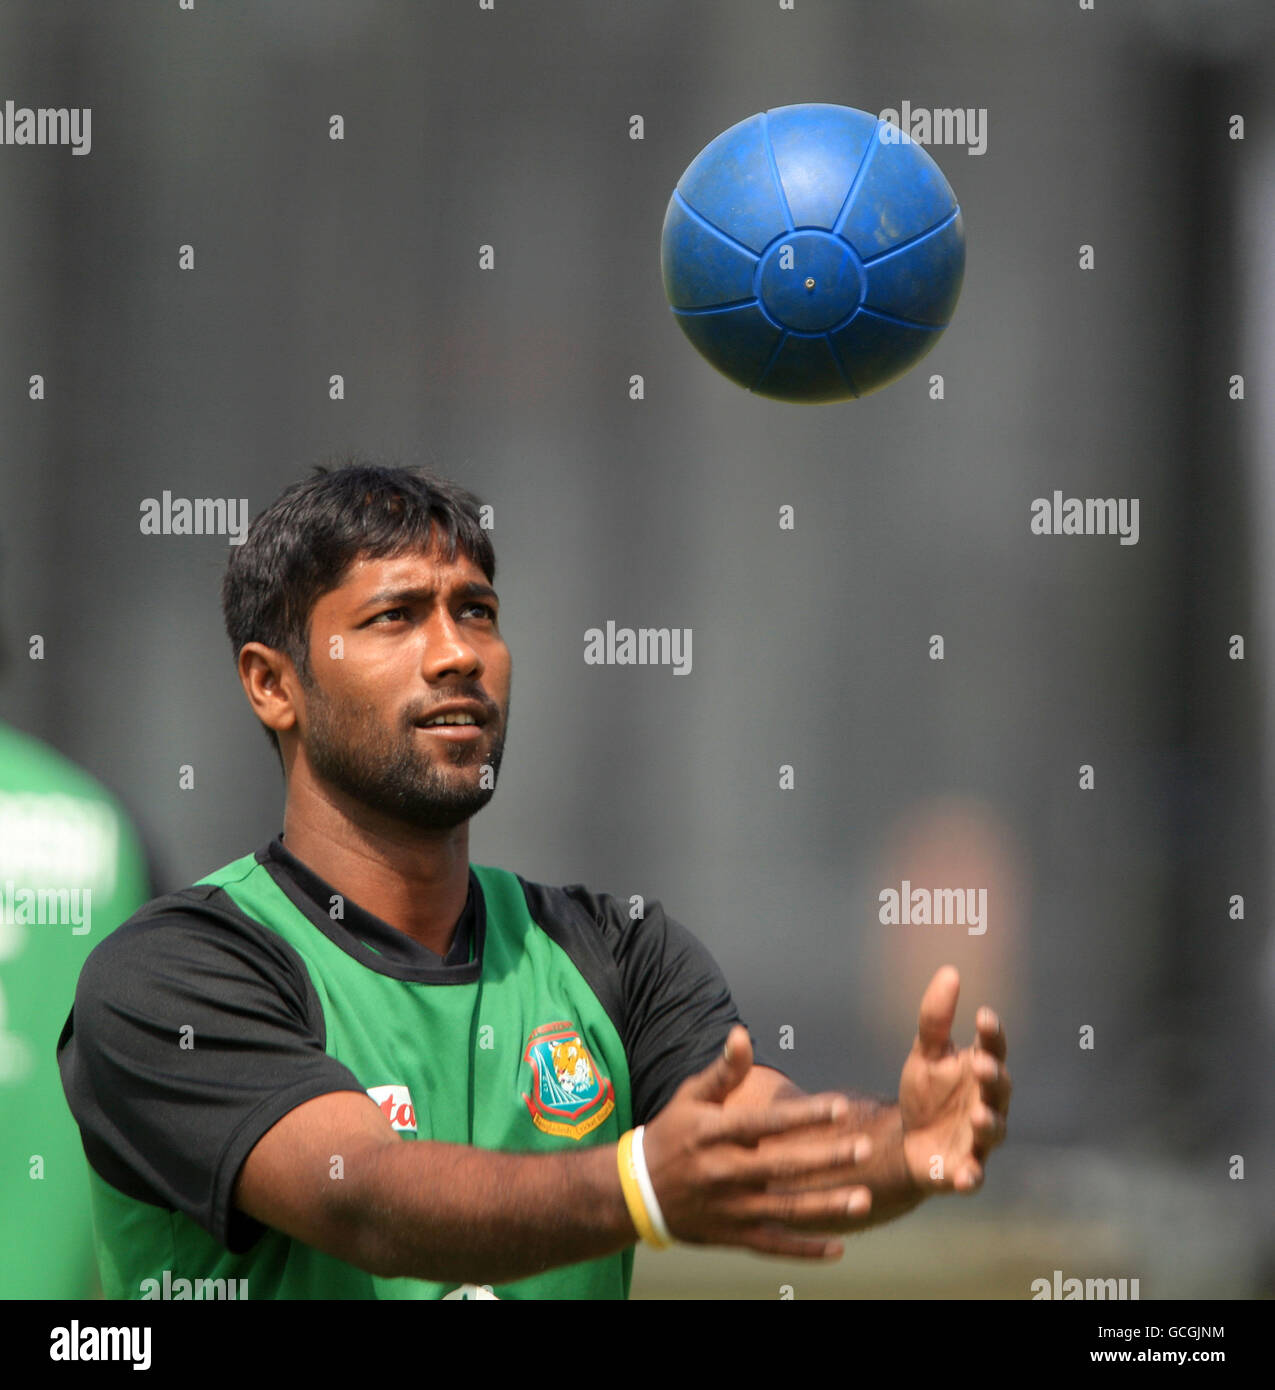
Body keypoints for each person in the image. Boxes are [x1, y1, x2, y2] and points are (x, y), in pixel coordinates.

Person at [57, 462, 1011, 1300]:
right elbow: (365, 1203)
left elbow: (752, 1149)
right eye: (395, 616)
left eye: (476, 610)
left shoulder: (617, 951)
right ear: (273, 684)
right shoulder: (173, 973)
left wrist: (900, 1150)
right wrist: (636, 1188)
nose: (457, 653)